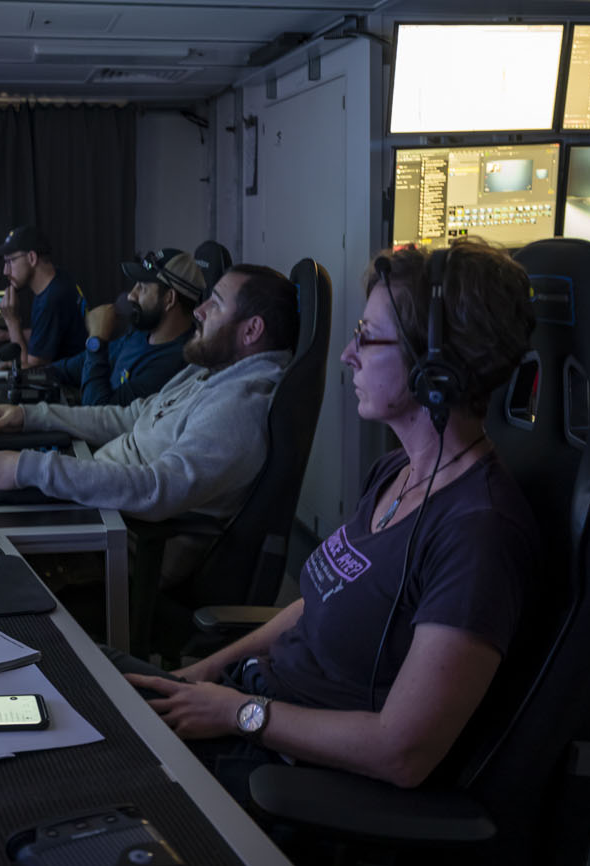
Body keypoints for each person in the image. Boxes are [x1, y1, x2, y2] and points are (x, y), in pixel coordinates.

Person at [113, 239, 538, 797]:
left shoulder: (478, 532)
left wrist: (240, 714)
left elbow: (402, 752)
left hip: (289, 777)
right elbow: (314, 602)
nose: (347, 354)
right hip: (249, 709)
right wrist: (205, 672)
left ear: (437, 366)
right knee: (76, 671)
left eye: (367, 336)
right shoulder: (395, 473)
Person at [0, 263, 297, 522]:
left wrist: (29, 469)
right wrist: (29, 417)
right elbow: (127, 416)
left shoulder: (237, 407)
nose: (200, 310)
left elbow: (156, 490)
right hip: (101, 497)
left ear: (252, 330)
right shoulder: (209, 370)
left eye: (217, 304)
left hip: (126, 533)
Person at [41, 248, 200, 406]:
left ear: (169, 299)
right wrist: (39, 374)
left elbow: (98, 416)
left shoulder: (172, 366)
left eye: (143, 288)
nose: (131, 295)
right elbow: (77, 366)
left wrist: (97, 339)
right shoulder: (141, 334)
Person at [0, 225, 87, 368]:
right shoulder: (59, 279)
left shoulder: (51, 300)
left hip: (68, 384)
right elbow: (46, 335)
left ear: (32, 258)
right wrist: (5, 335)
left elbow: (27, 370)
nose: (5, 271)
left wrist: (12, 321)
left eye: (10, 261)